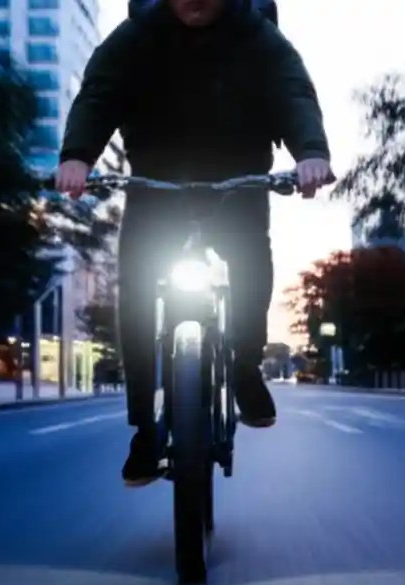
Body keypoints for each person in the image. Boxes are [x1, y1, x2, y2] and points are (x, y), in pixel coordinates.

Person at [56, 0, 333, 486]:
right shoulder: (135, 36)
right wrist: (77, 156)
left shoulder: (257, 35)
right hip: (157, 182)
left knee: (251, 261)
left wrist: (311, 152)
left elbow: (293, 92)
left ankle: (245, 366)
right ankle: (144, 429)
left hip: (238, 180)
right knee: (136, 288)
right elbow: (99, 94)